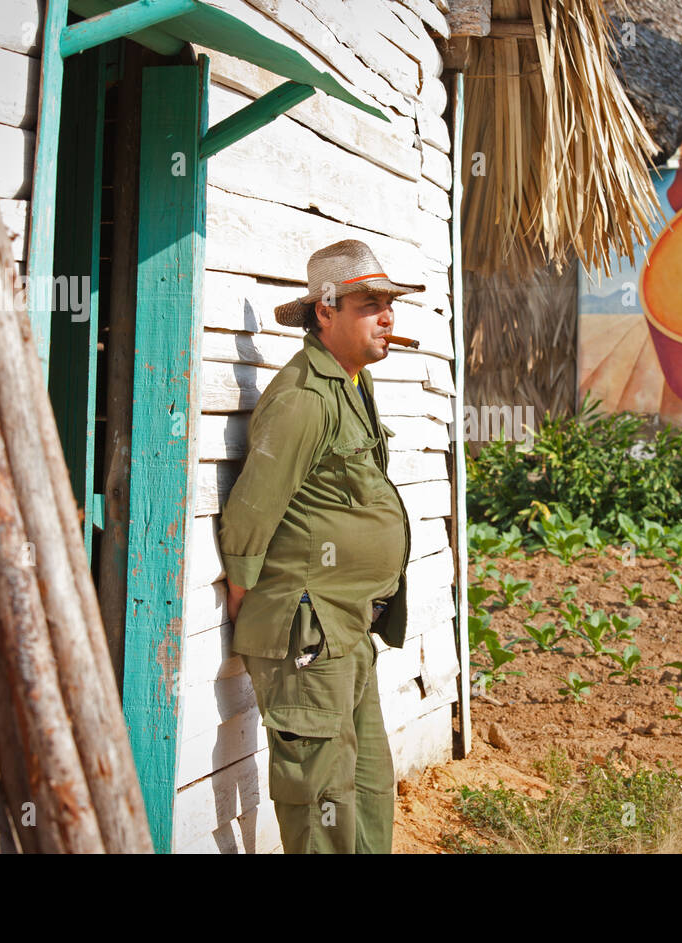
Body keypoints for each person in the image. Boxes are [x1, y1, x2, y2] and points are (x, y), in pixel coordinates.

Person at [217, 239, 424, 853]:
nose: (388, 316)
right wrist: (247, 600)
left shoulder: (349, 385)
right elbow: (253, 509)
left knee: (366, 791)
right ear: (326, 311)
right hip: (307, 635)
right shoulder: (306, 397)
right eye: (372, 304)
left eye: (390, 303)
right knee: (322, 806)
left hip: (347, 625)